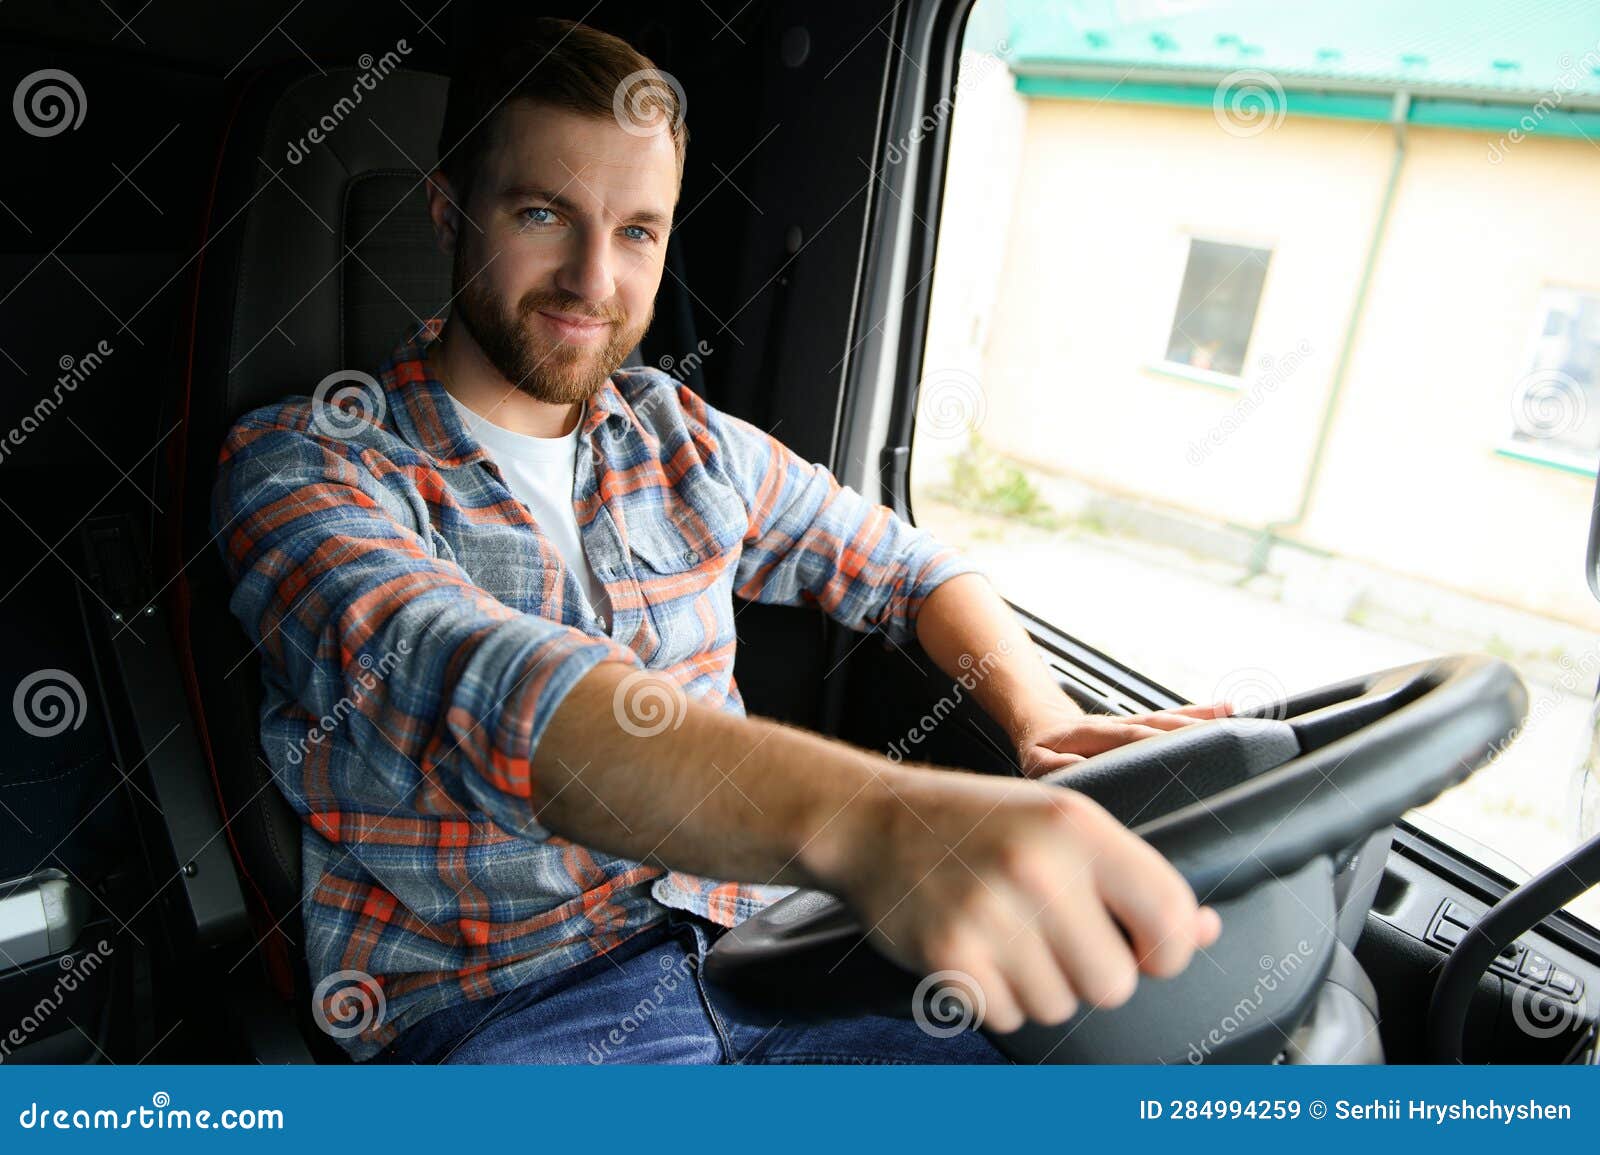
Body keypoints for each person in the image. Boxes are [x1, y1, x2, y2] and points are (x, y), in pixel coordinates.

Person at [211, 17, 1227, 1064]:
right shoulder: (304, 465)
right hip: (510, 1006)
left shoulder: (682, 435)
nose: (593, 279)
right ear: (447, 213)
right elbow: (485, 688)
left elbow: (911, 567)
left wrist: (1043, 721)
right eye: (543, 213)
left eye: (637, 230)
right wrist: (872, 827)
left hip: (765, 953)